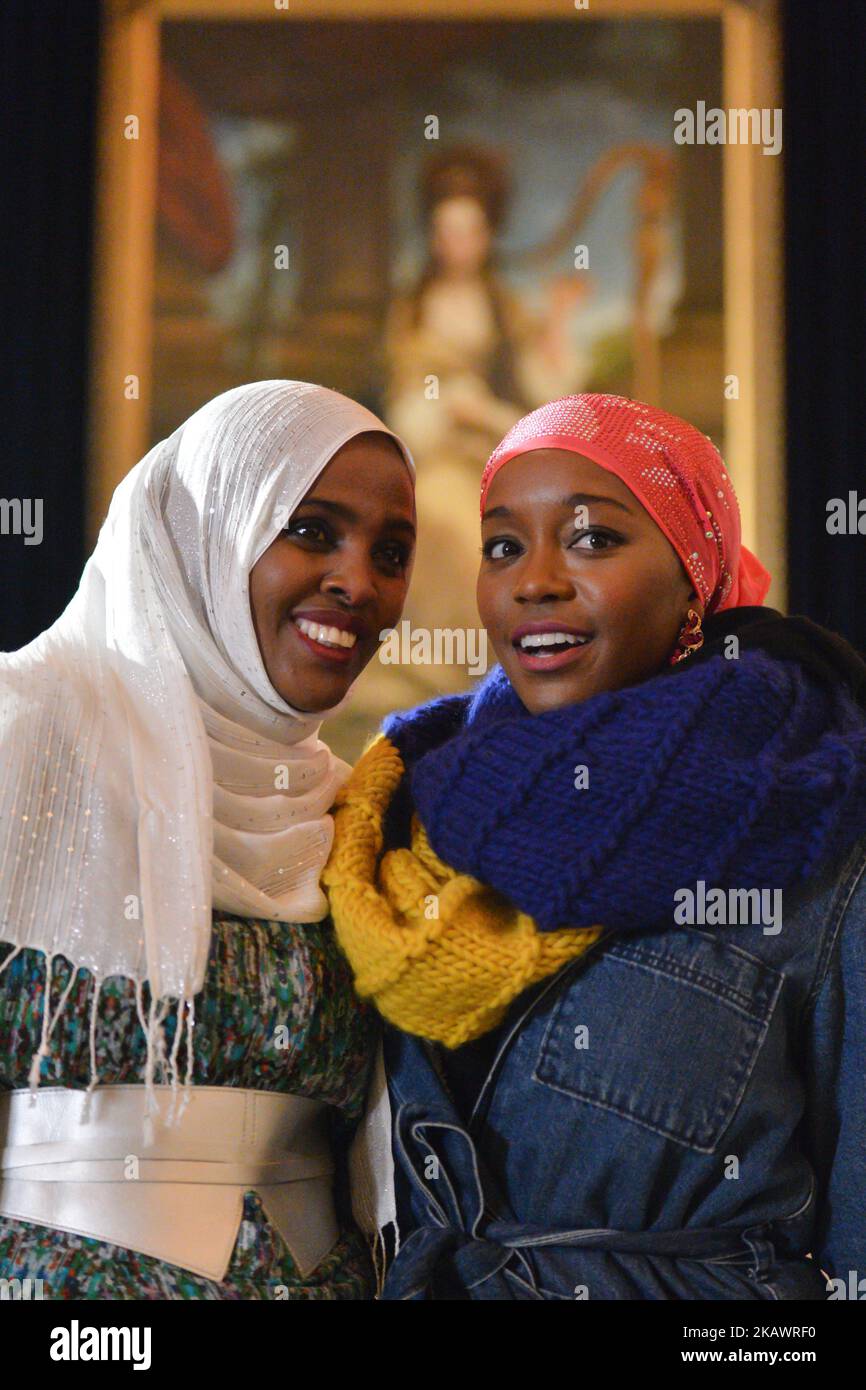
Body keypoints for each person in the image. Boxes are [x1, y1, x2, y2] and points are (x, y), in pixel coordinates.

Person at [324, 392, 866, 1300]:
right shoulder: (401, 809)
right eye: (504, 545)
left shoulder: (812, 827)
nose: (534, 579)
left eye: (591, 540)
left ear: (695, 580)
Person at [0, 379, 416, 1300]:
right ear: (204, 530)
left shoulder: (352, 812)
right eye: (313, 529)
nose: (359, 582)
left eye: (391, 552)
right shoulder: (21, 726)